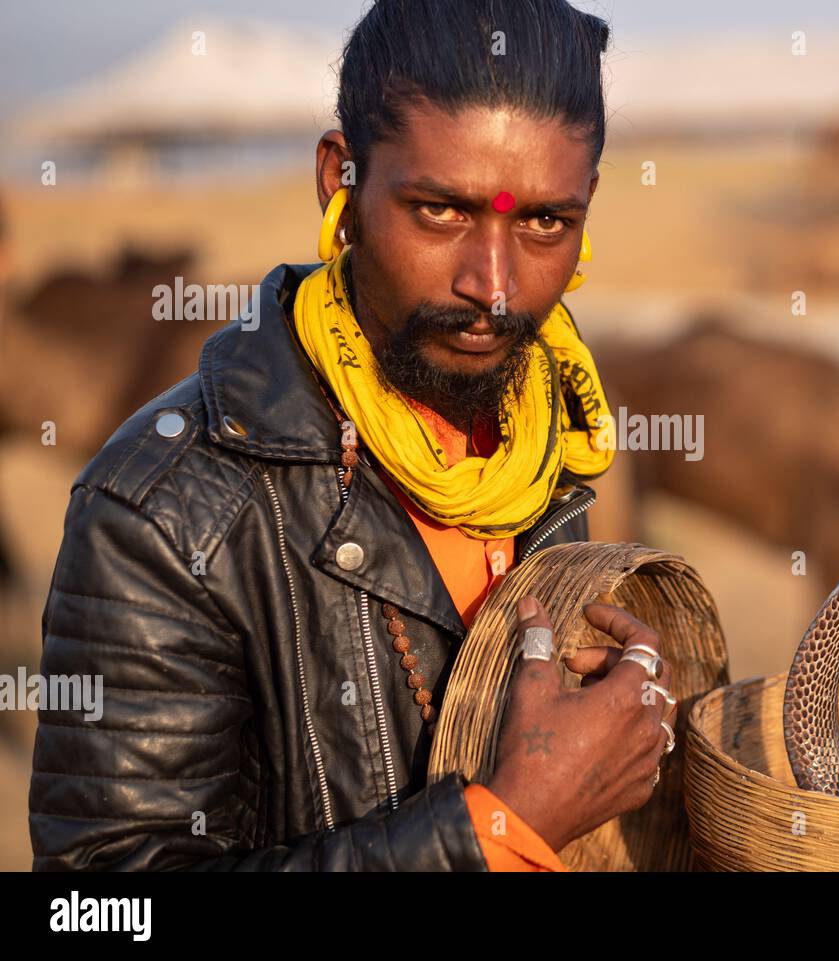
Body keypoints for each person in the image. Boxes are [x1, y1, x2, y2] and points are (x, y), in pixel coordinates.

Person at [29, 0, 677, 871]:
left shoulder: (551, 438)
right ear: (341, 178)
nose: (493, 286)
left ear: (587, 204)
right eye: (440, 211)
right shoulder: (167, 513)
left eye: (543, 223)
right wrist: (498, 826)